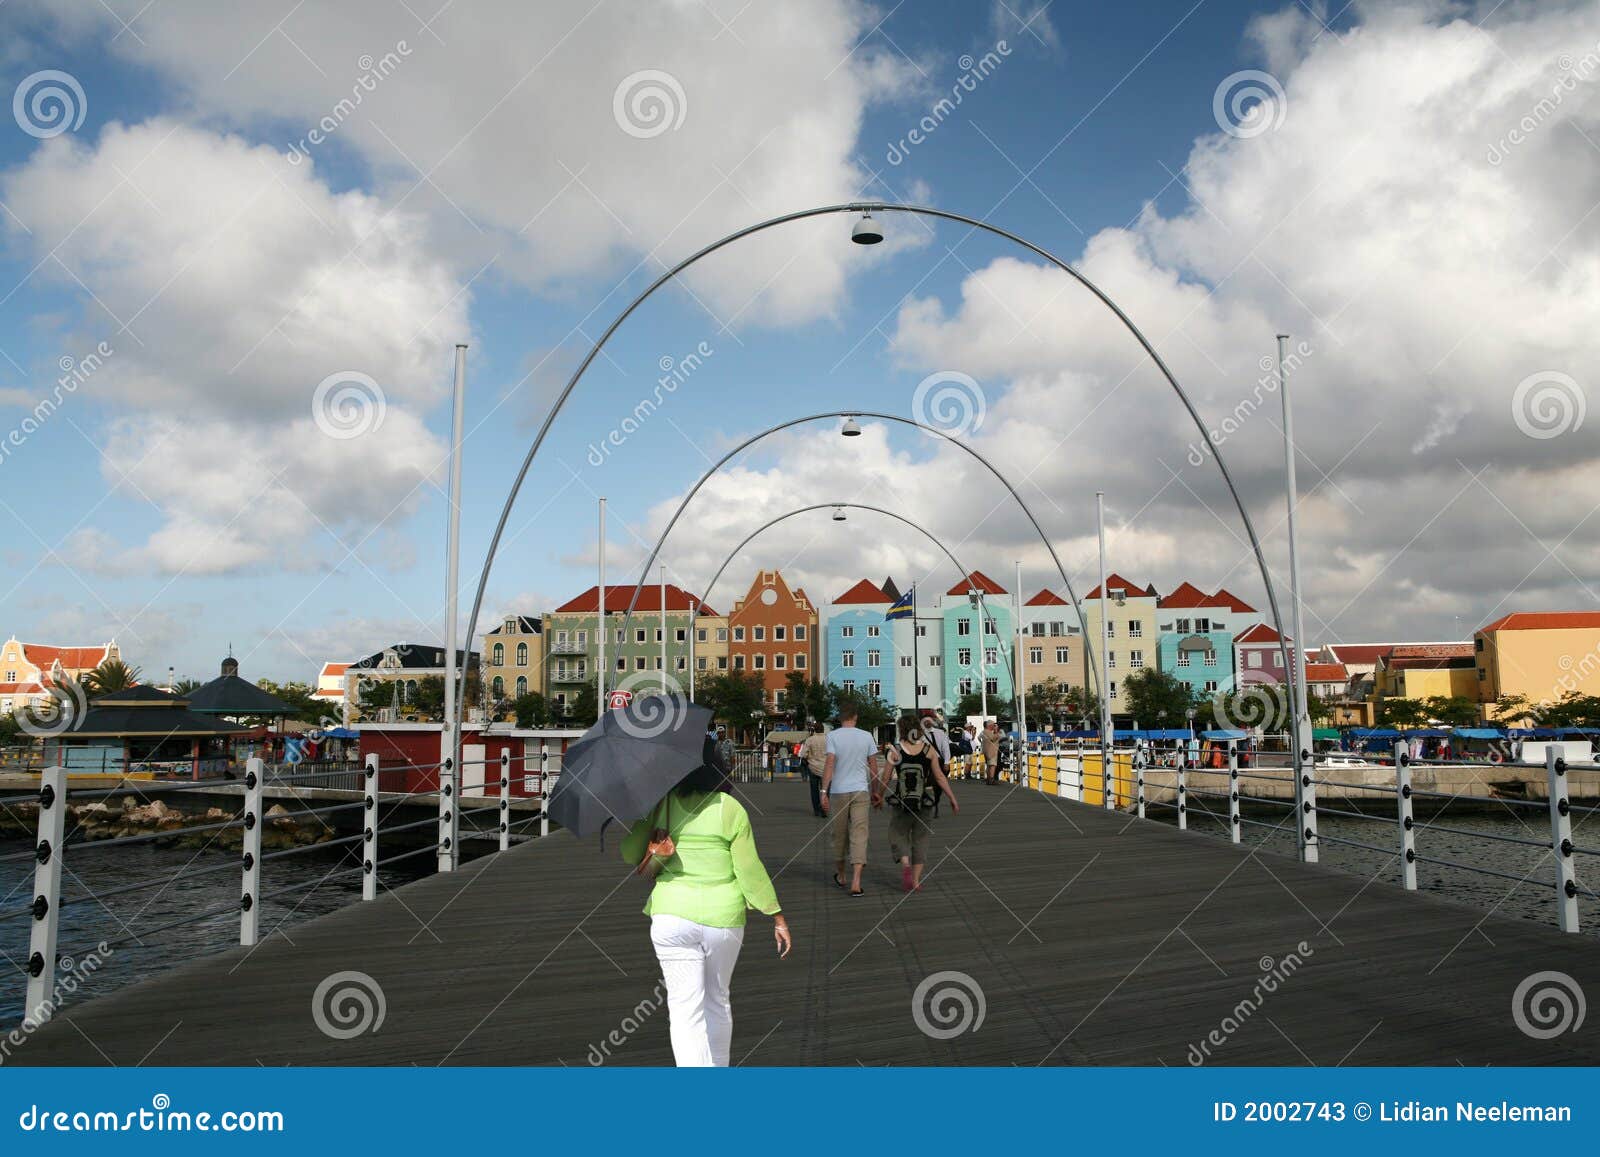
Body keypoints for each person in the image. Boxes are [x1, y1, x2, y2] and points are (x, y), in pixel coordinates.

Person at [621, 746, 791, 1067]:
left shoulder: (664, 804)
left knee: (685, 1011)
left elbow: (632, 852)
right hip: (723, 918)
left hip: (672, 915)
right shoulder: (730, 808)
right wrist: (775, 914)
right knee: (717, 1001)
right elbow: (748, 869)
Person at [884, 715, 959, 891]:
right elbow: (939, 777)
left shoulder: (895, 750)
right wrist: (952, 799)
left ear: (901, 730)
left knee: (897, 833)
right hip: (923, 801)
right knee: (921, 839)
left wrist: (878, 795)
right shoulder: (928, 750)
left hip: (901, 801)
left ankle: (905, 864)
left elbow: (886, 777)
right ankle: (916, 880)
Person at [820, 703, 879, 896]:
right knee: (859, 834)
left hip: (838, 791)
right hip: (861, 790)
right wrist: (875, 791)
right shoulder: (866, 736)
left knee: (839, 834)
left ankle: (842, 874)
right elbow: (873, 767)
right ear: (855, 717)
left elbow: (830, 764)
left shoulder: (833, 736)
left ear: (840, 719)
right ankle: (856, 881)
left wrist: (823, 792)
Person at [800, 721, 828, 817]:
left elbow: (803, 754)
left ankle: (817, 810)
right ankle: (825, 809)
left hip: (813, 768)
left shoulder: (810, 740)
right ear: (823, 729)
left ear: (814, 730)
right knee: (825, 789)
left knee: (814, 790)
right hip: (825, 769)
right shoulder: (829, 739)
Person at [981, 720, 1001, 784]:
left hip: (988, 751)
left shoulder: (985, 731)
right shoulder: (987, 732)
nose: (994, 726)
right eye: (993, 725)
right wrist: (996, 732)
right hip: (991, 751)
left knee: (989, 765)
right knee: (992, 765)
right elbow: (993, 738)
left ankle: (989, 779)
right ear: (989, 725)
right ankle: (991, 779)